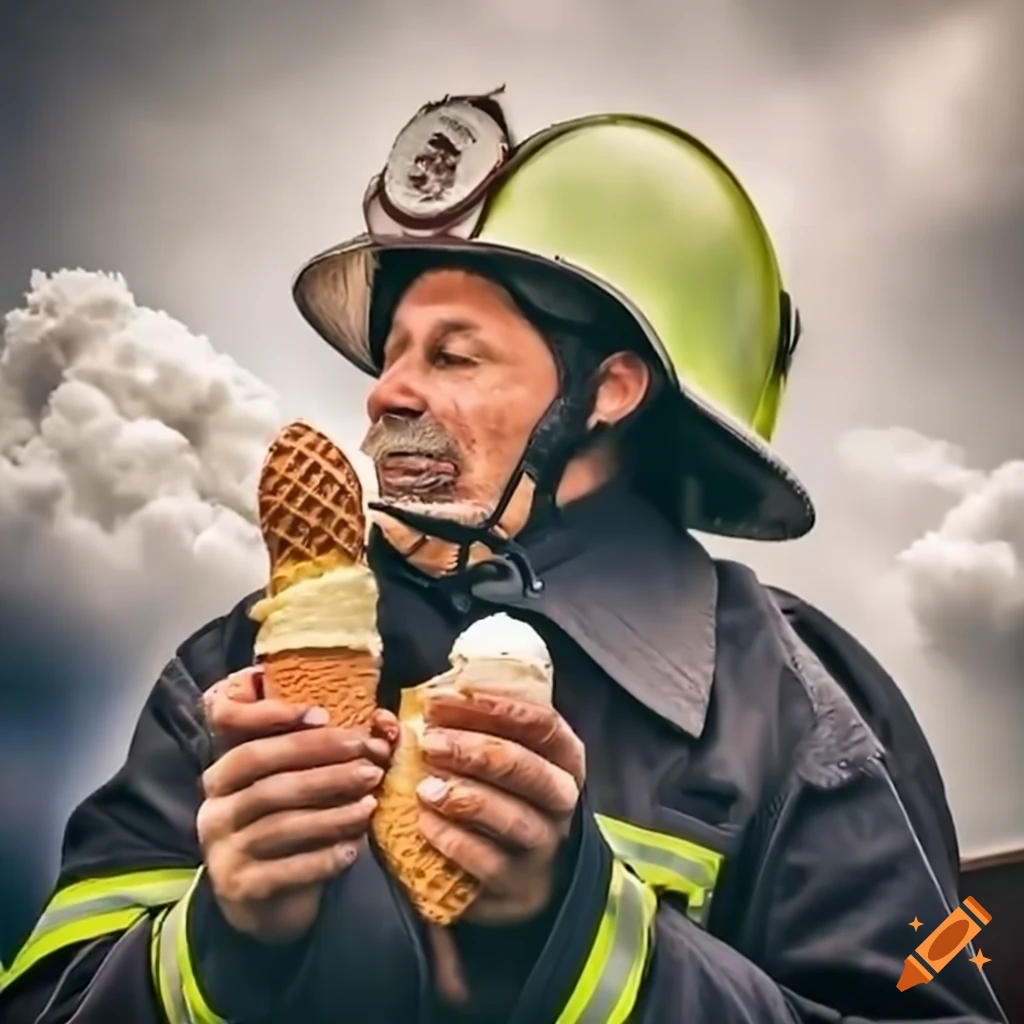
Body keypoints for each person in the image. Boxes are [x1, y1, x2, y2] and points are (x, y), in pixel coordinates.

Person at [0, 92, 1007, 1024]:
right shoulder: (229, 669)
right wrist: (216, 951)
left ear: (608, 393)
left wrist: (586, 933)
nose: (384, 395)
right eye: (390, 352)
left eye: (450, 354)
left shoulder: (789, 707)